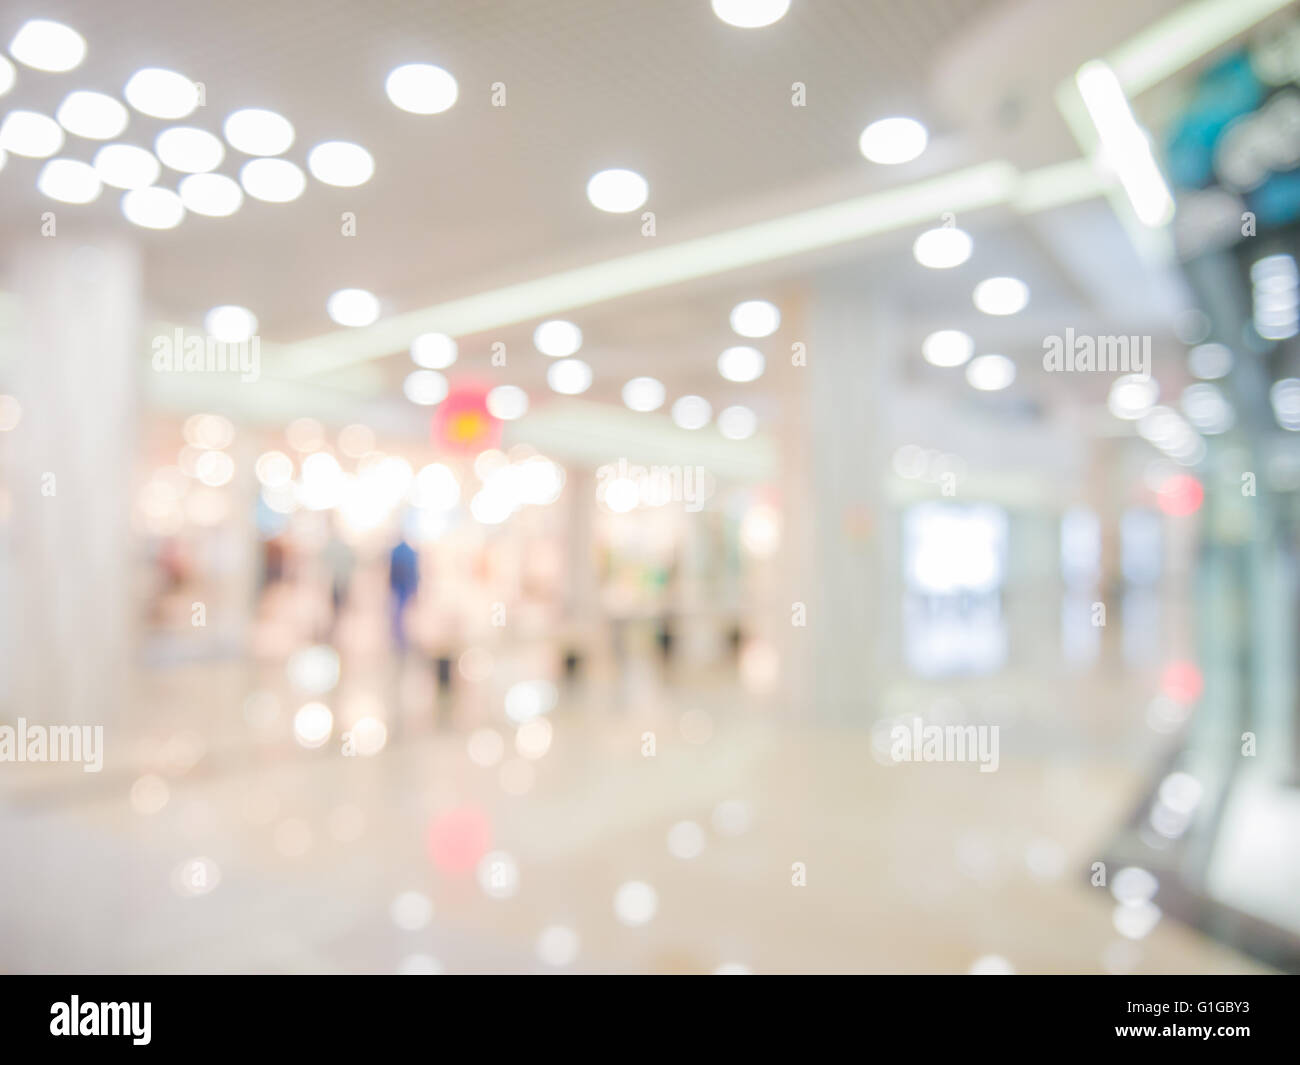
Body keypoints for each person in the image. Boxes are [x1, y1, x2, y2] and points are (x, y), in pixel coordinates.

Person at [388, 535, 420, 654]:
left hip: (400, 585)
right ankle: (402, 636)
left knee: (400, 611)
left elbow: (393, 570)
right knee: (402, 611)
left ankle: (402, 636)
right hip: (403, 585)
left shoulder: (398, 551)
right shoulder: (409, 552)